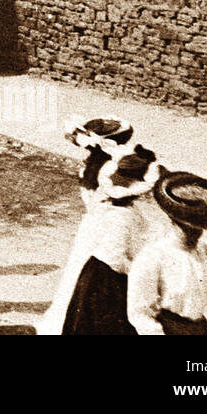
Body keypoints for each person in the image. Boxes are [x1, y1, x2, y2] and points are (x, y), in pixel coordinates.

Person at [38, 117, 139, 334]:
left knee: (80, 274)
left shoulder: (91, 165)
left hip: (92, 223)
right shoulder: (113, 168)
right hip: (110, 221)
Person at [59, 144, 160, 335]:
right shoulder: (122, 216)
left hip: (96, 272)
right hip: (108, 278)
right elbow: (115, 257)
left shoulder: (107, 206)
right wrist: (139, 271)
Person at [127, 171, 207, 335]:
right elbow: (139, 313)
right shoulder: (153, 256)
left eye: (201, 226)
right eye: (189, 225)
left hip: (200, 329)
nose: (195, 231)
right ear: (175, 219)